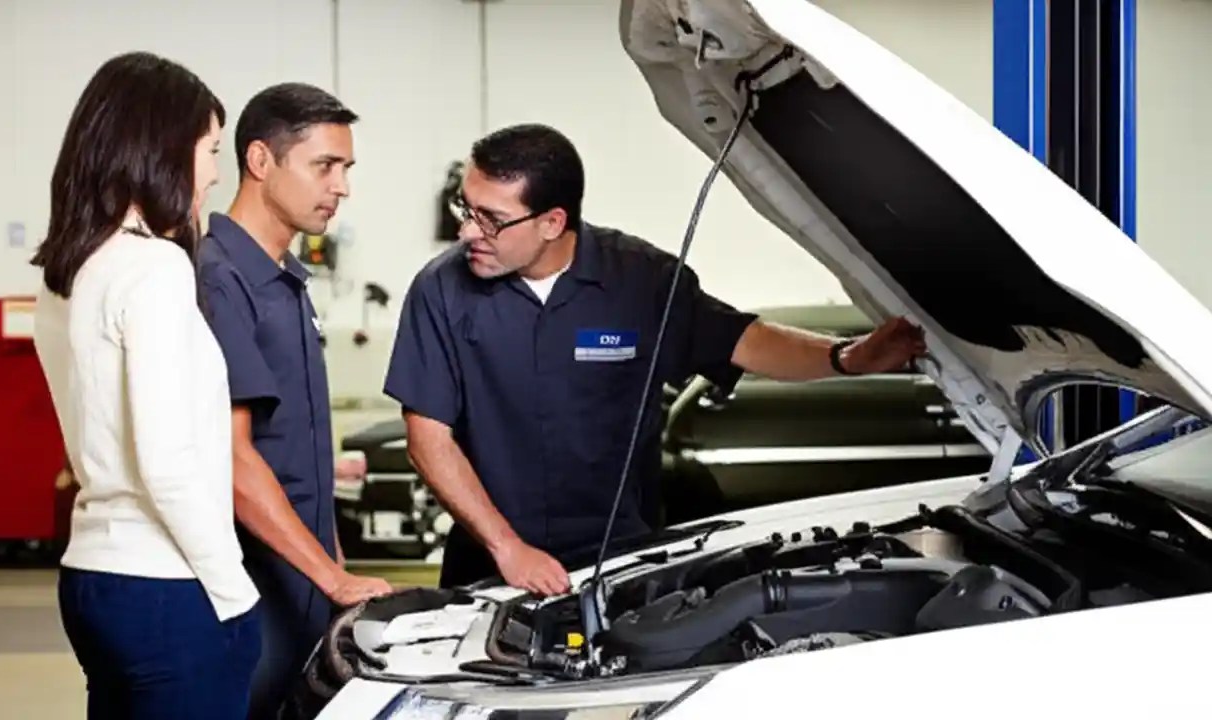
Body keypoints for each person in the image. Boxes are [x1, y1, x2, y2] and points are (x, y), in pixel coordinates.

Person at [383, 123, 927, 595]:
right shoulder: (442, 291)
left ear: (551, 222)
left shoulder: (639, 281)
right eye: (466, 208)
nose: (467, 231)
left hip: (620, 563)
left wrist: (848, 357)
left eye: (490, 218)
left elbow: (746, 341)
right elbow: (428, 440)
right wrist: (507, 548)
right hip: (487, 565)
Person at [30, 51, 261, 719]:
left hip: (93, 578)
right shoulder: (155, 267)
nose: (214, 172)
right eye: (210, 150)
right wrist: (233, 589)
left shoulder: (65, 274)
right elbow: (166, 461)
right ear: (161, 148)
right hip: (168, 583)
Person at [195, 82, 393, 720]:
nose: (342, 187)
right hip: (251, 588)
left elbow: (298, 448)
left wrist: (332, 565)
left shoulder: (285, 281)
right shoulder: (220, 279)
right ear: (260, 160)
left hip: (302, 582)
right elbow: (232, 457)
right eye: (325, 166)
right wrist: (331, 576)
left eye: (346, 168)